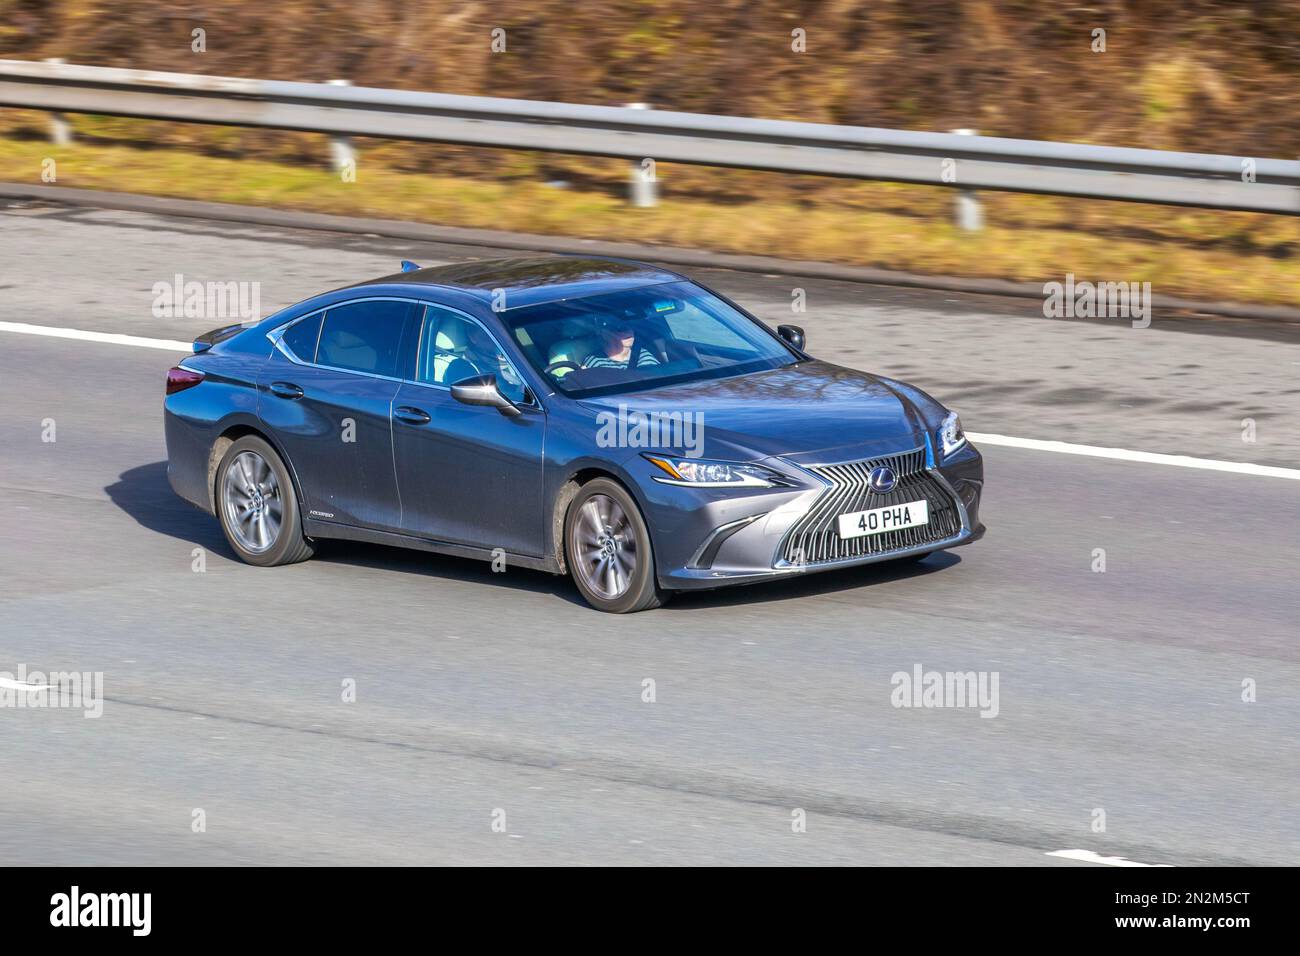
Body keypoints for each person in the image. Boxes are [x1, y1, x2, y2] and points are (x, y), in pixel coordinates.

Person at [581, 320, 660, 370]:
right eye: (620, 329)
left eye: (631, 327)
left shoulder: (643, 355)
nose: (629, 332)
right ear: (605, 334)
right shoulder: (595, 361)